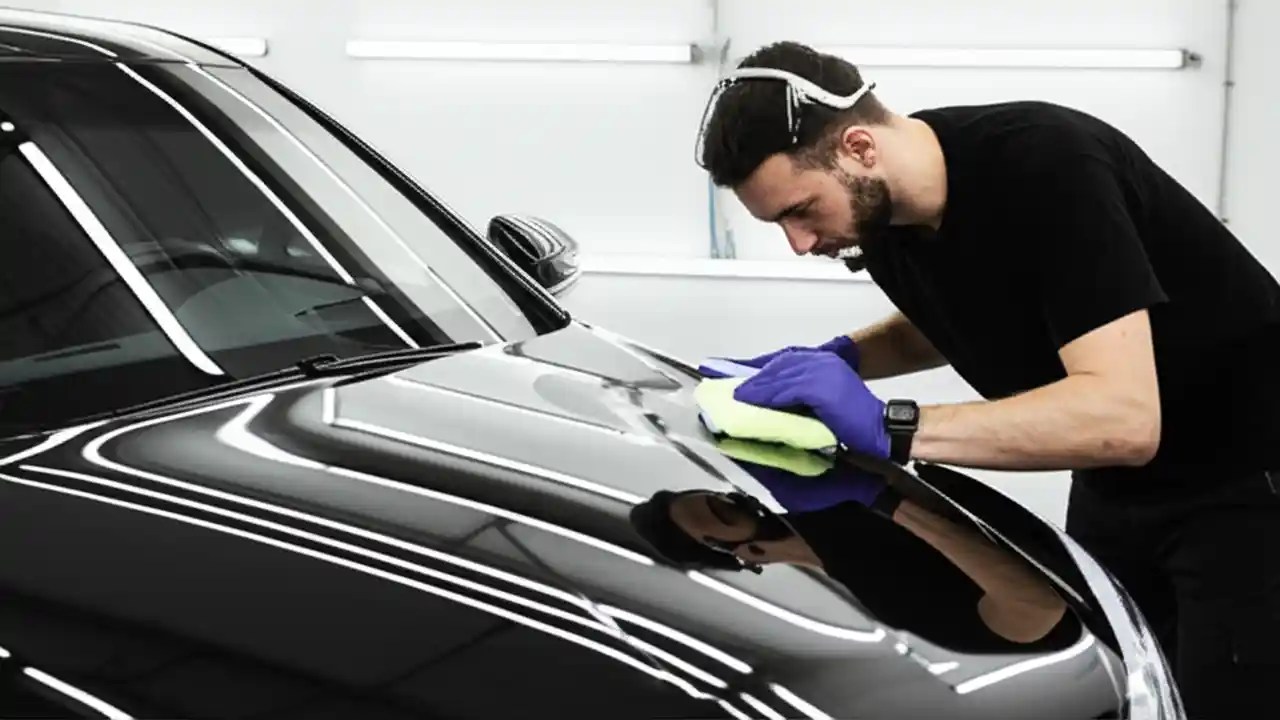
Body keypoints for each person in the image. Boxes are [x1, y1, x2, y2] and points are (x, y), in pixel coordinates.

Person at [694, 40, 1280, 718]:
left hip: (1247, 489)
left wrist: (895, 426)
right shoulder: (887, 214)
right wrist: (837, 356)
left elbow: (1125, 418)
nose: (799, 243)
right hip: (1115, 489)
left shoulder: (1047, 165)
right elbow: (944, 314)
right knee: (1111, 690)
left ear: (858, 148)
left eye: (801, 210)